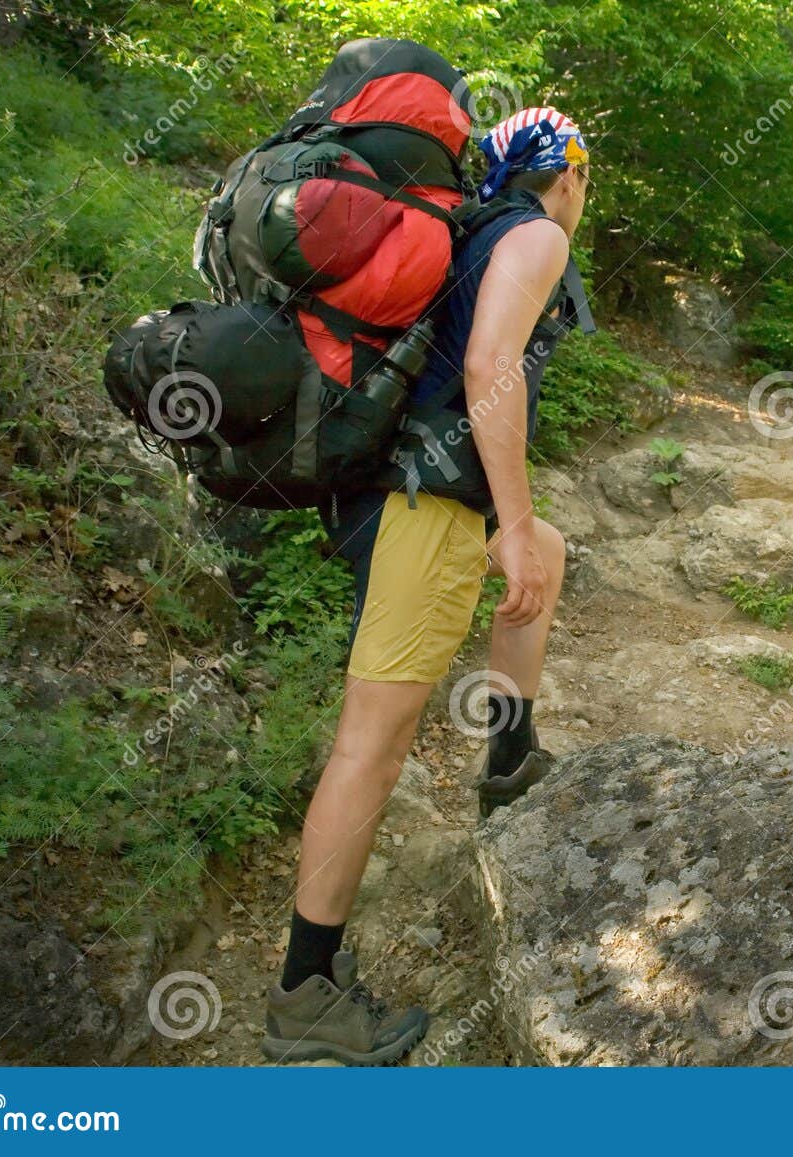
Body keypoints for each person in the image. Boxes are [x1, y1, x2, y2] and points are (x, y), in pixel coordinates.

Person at [261, 107, 594, 1066]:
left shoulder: (471, 233)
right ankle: (303, 994)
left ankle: (509, 758)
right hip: (425, 506)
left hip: (406, 489)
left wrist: (524, 531)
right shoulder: (530, 236)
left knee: (554, 554)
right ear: (565, 173)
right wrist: (512, 525)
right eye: (586, 177)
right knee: (371, 748)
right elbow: (492, 371)